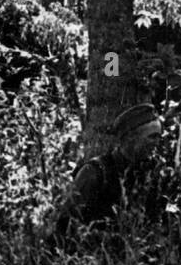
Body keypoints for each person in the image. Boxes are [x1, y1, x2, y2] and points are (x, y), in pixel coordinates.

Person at [50, 103, 164, 241]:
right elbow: (64, 227)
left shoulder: (150, 173)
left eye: (159, 137)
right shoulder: (95, 172)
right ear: (130, 138)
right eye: (152, 136)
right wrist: (108, 240)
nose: (157, 142)